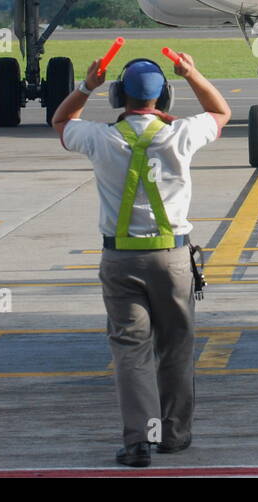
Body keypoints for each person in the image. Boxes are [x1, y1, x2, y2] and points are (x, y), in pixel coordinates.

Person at [53, 50, 231, 466]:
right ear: (164, 98)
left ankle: (138, 441)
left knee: (131, 351)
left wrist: (86, 86)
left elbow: (60, 122)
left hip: (120, 262)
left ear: (118, 95)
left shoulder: (101, 138)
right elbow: (220, 111)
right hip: (172, 259)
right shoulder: (181, 134)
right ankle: (174, 435)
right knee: (176, 347)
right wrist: (192, 72)